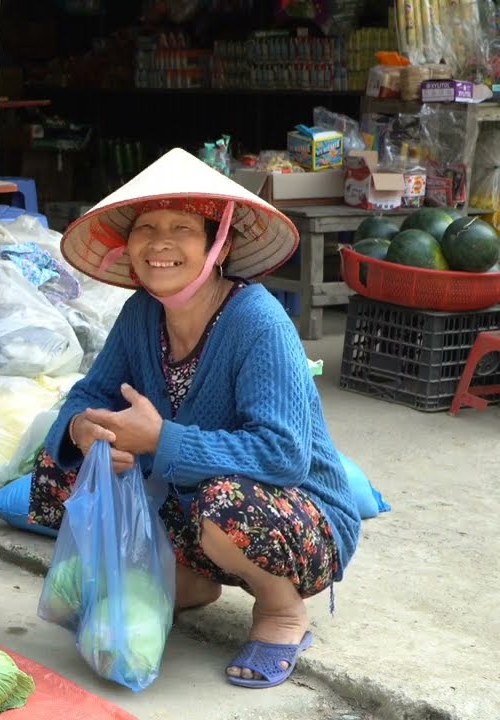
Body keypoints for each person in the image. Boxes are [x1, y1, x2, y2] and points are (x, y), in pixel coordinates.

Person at [30, 148, 362, 689]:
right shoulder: (141, 312)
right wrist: (81, 428)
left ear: (218, 243)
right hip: (187, 507)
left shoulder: (257, 321)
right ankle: (191, 579)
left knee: (223, 501)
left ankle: (281, 611)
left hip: (299, 516)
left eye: (181, 228)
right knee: (58, 466)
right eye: (146, 229)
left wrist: (161, 438)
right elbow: (88, 394)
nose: (159, 244)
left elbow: (283, 454)